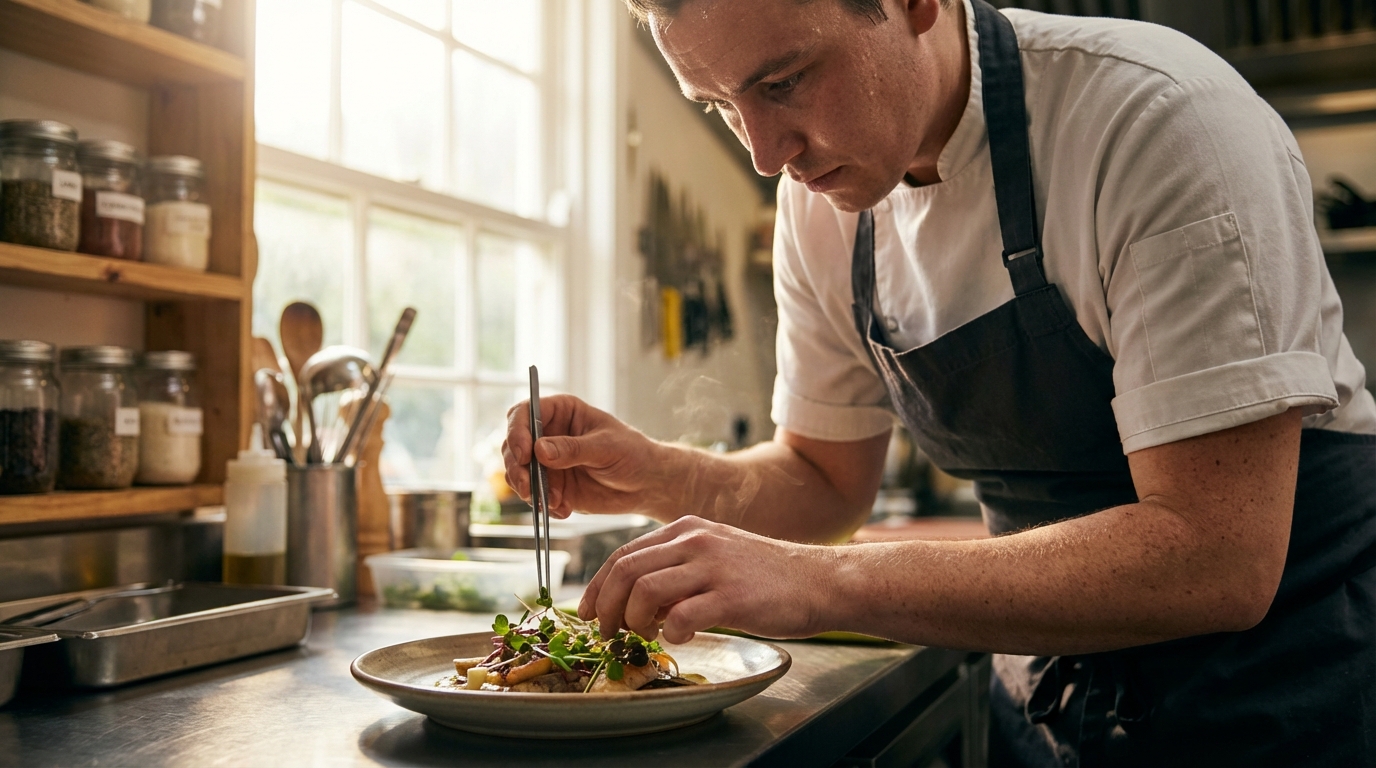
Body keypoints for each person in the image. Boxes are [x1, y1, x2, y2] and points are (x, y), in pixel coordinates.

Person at [502, 0, 1376, 764]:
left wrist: (823, 583)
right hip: (1046, 699)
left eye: (785, 82)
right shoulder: (820, 201)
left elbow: (1215, 556)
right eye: (721, 107)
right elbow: (822, 483)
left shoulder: (1154, 119)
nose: (766, 155)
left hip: (1282, 693)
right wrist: (661, 474)